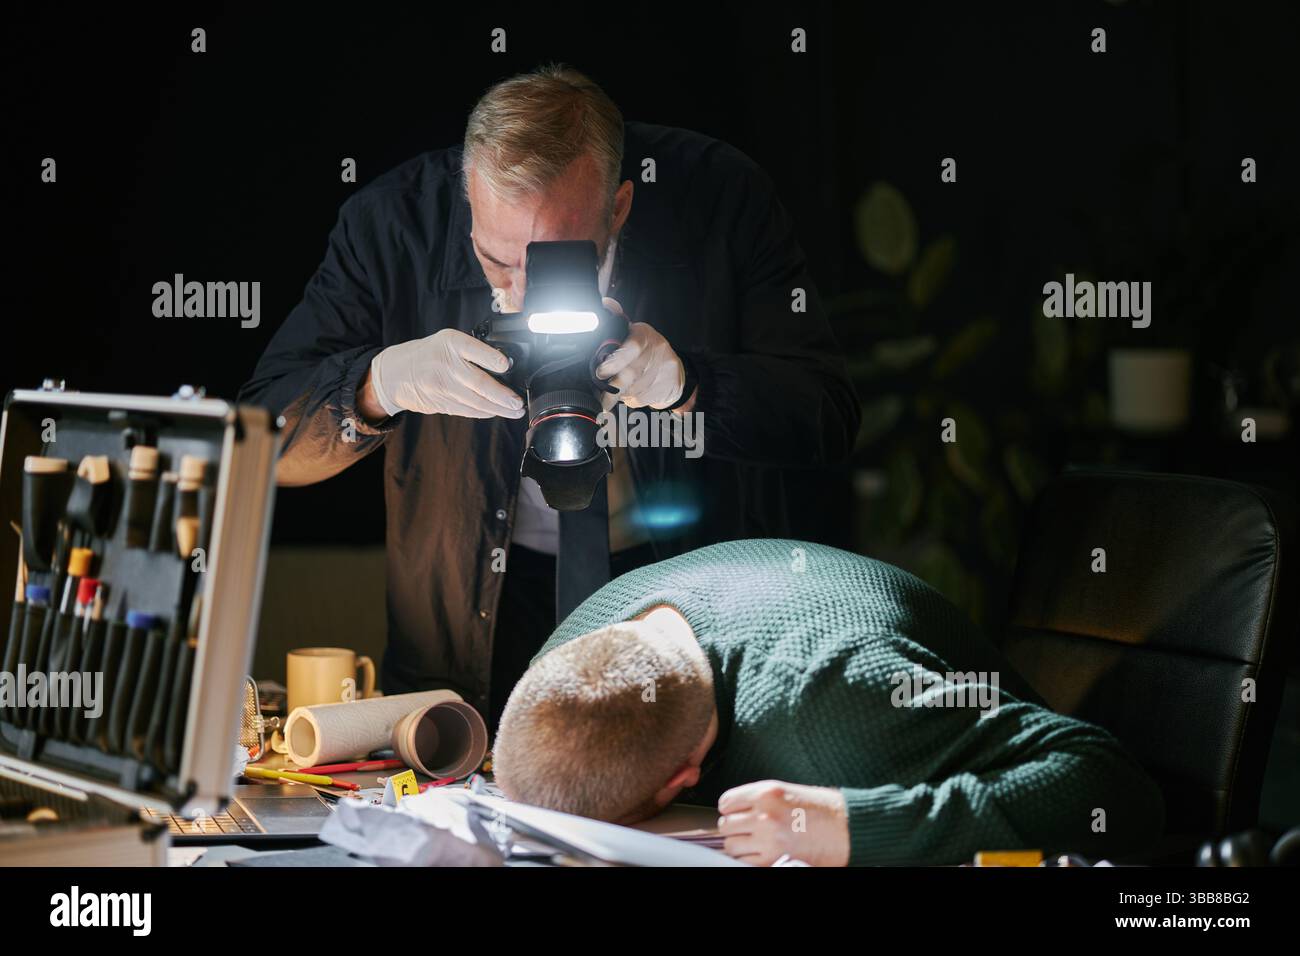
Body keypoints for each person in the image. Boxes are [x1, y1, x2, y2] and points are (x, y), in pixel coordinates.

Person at [239, 65, 859, 731]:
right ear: (467, 199)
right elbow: (263, 442)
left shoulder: (720, 199)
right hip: (470, 622)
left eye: (560, 262)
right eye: (499, 260)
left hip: (679, 598)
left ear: (618, 206)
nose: (526, 293)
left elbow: (824, 415)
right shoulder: (393, 226)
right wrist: (379, 385)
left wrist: (691, 385)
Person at [492, 538, 1167, 866]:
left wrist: (859, 825)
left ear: (682, 782)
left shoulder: (844, 700)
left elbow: (1113, 785)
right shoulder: (569, 646)